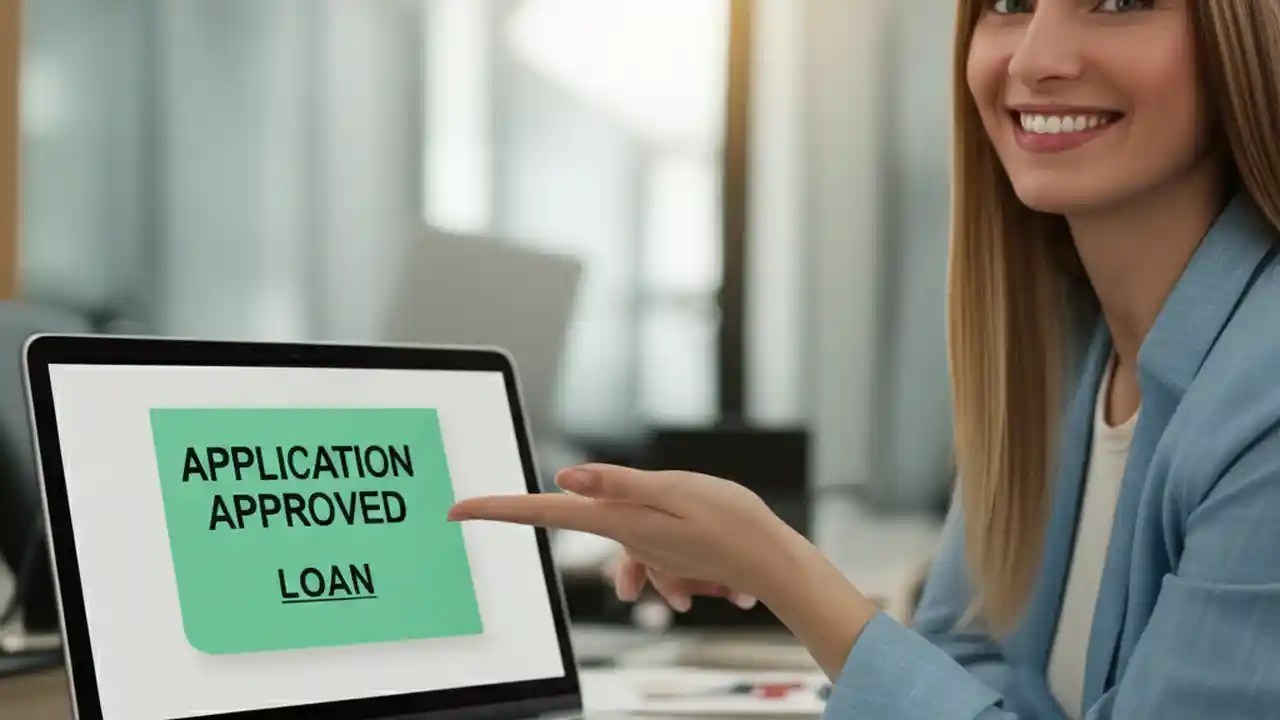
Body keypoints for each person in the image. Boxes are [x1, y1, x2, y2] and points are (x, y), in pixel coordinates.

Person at [448, 0, 1280, 716]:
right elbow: (973, 669)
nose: (1036, 59)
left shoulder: (1265, 400)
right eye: (1008, 1)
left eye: (1121, 0)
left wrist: (782, 573)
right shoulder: (1060, 359)